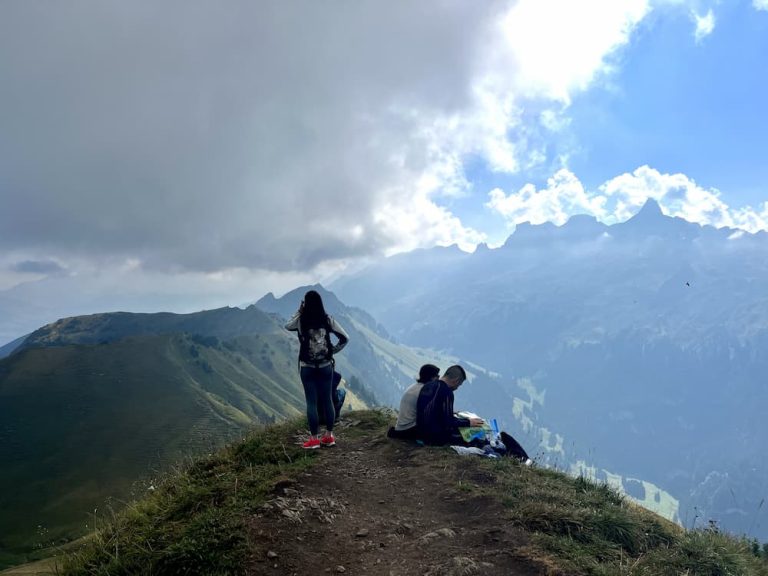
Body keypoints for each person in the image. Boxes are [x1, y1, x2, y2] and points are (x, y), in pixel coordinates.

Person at [285, 290, 349, 449]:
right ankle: (329, 436)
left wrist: (299, 311)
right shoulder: (327, 319)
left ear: (305, 304)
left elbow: (287, 325)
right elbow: (345, 338)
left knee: (311, 402)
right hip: (326, 366)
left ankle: (314, 439)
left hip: (307, 368)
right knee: (327, 399)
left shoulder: (301, 320)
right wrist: (332, 351)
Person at [416, 364, 484, 446]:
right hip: (435, 438)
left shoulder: (427, 385)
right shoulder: (447, 391)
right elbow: (449, 422)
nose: (457, 388)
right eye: (459, 385)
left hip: (420, 433)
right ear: (456, 380)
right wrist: (468, 422)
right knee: (475, 436)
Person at [387, 364, 440, 440]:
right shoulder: (424, 391)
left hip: (400, 428)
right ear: (431, 378)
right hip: (409, 429)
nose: (438, 379)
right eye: (437, 376)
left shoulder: (415, 386)